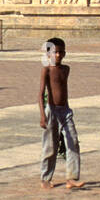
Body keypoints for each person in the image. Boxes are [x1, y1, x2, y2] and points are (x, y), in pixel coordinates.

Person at [38, 38, 83, 189]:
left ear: (65, 53)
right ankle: (45, 178)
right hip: (51, 110)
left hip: (65, 110)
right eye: (55, 52)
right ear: (49, 54)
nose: (58, 55)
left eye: (60, 52)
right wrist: (43, 115)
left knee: (73, 141)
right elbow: (40, 94)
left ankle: (71, 178)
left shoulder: (66, 69)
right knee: (50, 145)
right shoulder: (47, 70)